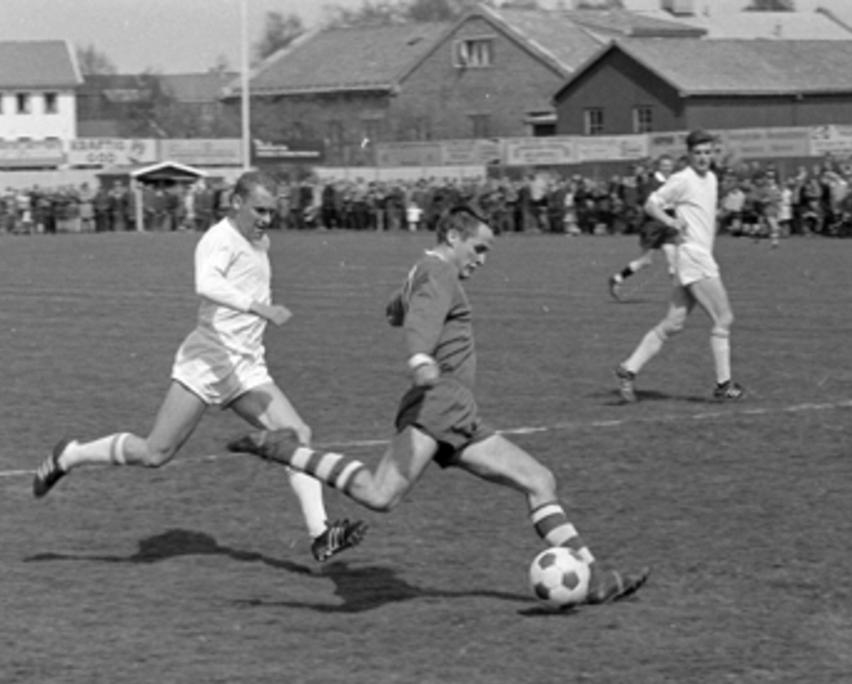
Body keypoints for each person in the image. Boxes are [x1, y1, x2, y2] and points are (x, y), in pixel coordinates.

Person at [227, 205, 648, 606]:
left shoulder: (424, 269)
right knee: (380, 494)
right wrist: (420, 357)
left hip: (460, 414)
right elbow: (421, 319)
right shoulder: (440, 271)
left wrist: (403, 312)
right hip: (438, 407)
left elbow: (398, 310)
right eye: (478, 248)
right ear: (452, 237)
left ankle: (594, 576)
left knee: (539, 480)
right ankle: (283, 450)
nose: (482, 259)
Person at [31, 171, 366, 562]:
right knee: (155, 453)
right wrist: (258, 307)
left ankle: (321, 534)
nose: (266, 220)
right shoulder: (218, 240)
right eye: (259, 210)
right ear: (236, 202)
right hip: (207, 362)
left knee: (296, 434)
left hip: (246, 367)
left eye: (271, 212)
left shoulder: (260, 240)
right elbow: (206, 284)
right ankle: (70, 455)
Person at [614, 129, 745, 404]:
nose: (703, 158)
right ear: (689, 155)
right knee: (724, 319)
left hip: (696, 256)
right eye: (698, 153)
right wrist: (670, 221)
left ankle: (629, 368)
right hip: (694, 257)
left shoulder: (711, 178)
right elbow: (651, 204)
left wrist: (726, 211)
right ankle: (724, 385)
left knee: (673, 324)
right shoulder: (682, 179)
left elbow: (704, 218)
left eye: (707, 152)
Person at [608, 155, 678, 300]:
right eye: (664, 165)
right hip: (653, 224)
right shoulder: (650, 183)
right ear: (659, 167)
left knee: (672, 258)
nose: (667, 168)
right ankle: (617, 278)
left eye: (669, 165)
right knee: (646, 261)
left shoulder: (674, 181)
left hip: (668, 223)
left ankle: (680, 295)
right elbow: (648, 204)